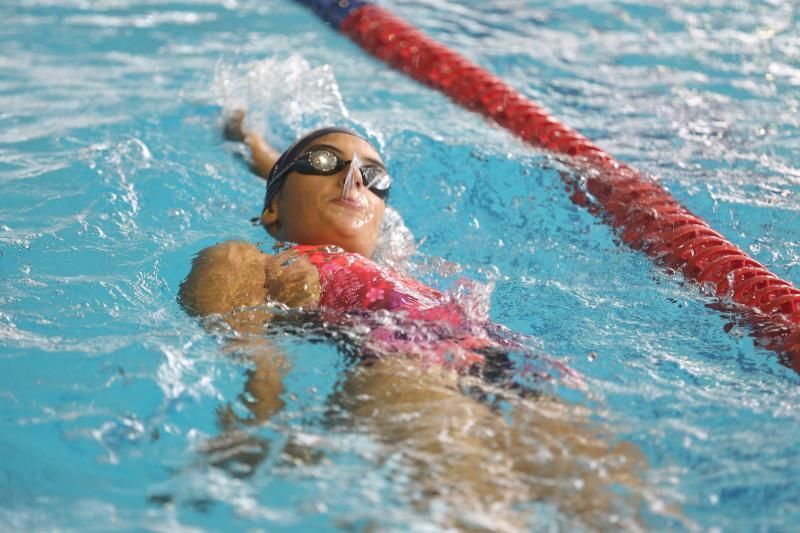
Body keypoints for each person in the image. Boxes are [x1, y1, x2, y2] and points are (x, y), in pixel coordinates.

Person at [178, 111, 648, 530]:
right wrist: (261, 409)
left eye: (374, 176)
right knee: (476, 513)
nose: (353, 180)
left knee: (619, 509)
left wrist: (257, 145)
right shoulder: (262, 259)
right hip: (402, 370)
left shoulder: (395, 259)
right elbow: (239, 332)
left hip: (510, 371)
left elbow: (296, 180)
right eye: (324, 162)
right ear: (272, 209)